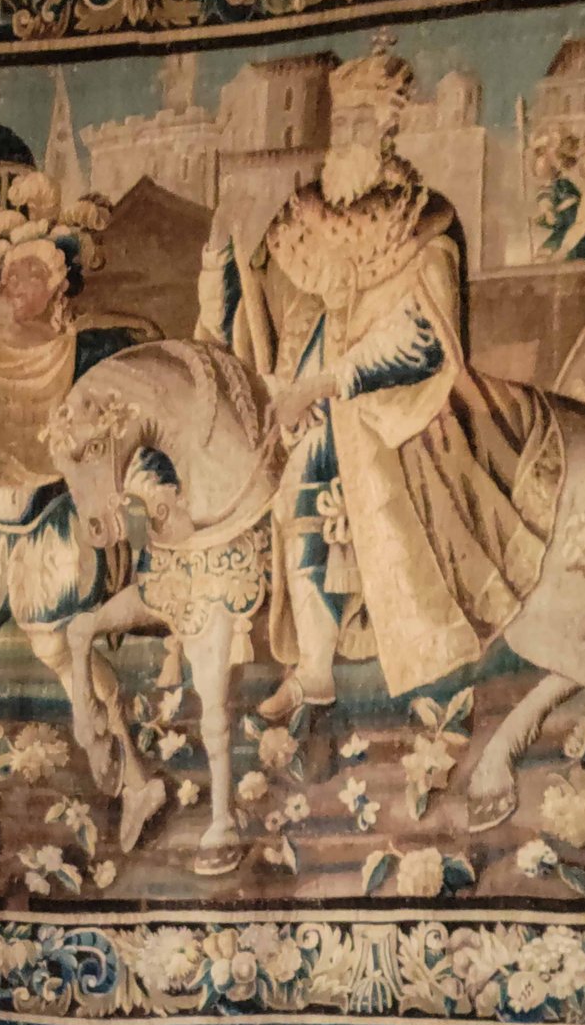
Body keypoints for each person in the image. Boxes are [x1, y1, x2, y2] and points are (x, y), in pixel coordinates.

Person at [198, 42, 557, 722]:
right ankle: (314, 670)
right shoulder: (298, 221)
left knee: (378, 504)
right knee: (295, 507)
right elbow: (244, 315)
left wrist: (329, 381)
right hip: (301, 408)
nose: (348, 138)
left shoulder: (420, 220)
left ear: (389, 130)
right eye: (342, 123)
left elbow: (425, 337)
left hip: (389, 410)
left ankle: (428, 678)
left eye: (362, 123)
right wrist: (220, 255)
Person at [0, 176, 164, 873]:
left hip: (50, 525)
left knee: (62, 656)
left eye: (31, 275)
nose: (14, 284)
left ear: (59, 286)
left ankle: (138, 780)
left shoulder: (86, 348)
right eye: (9, 273)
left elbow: (125, 410)